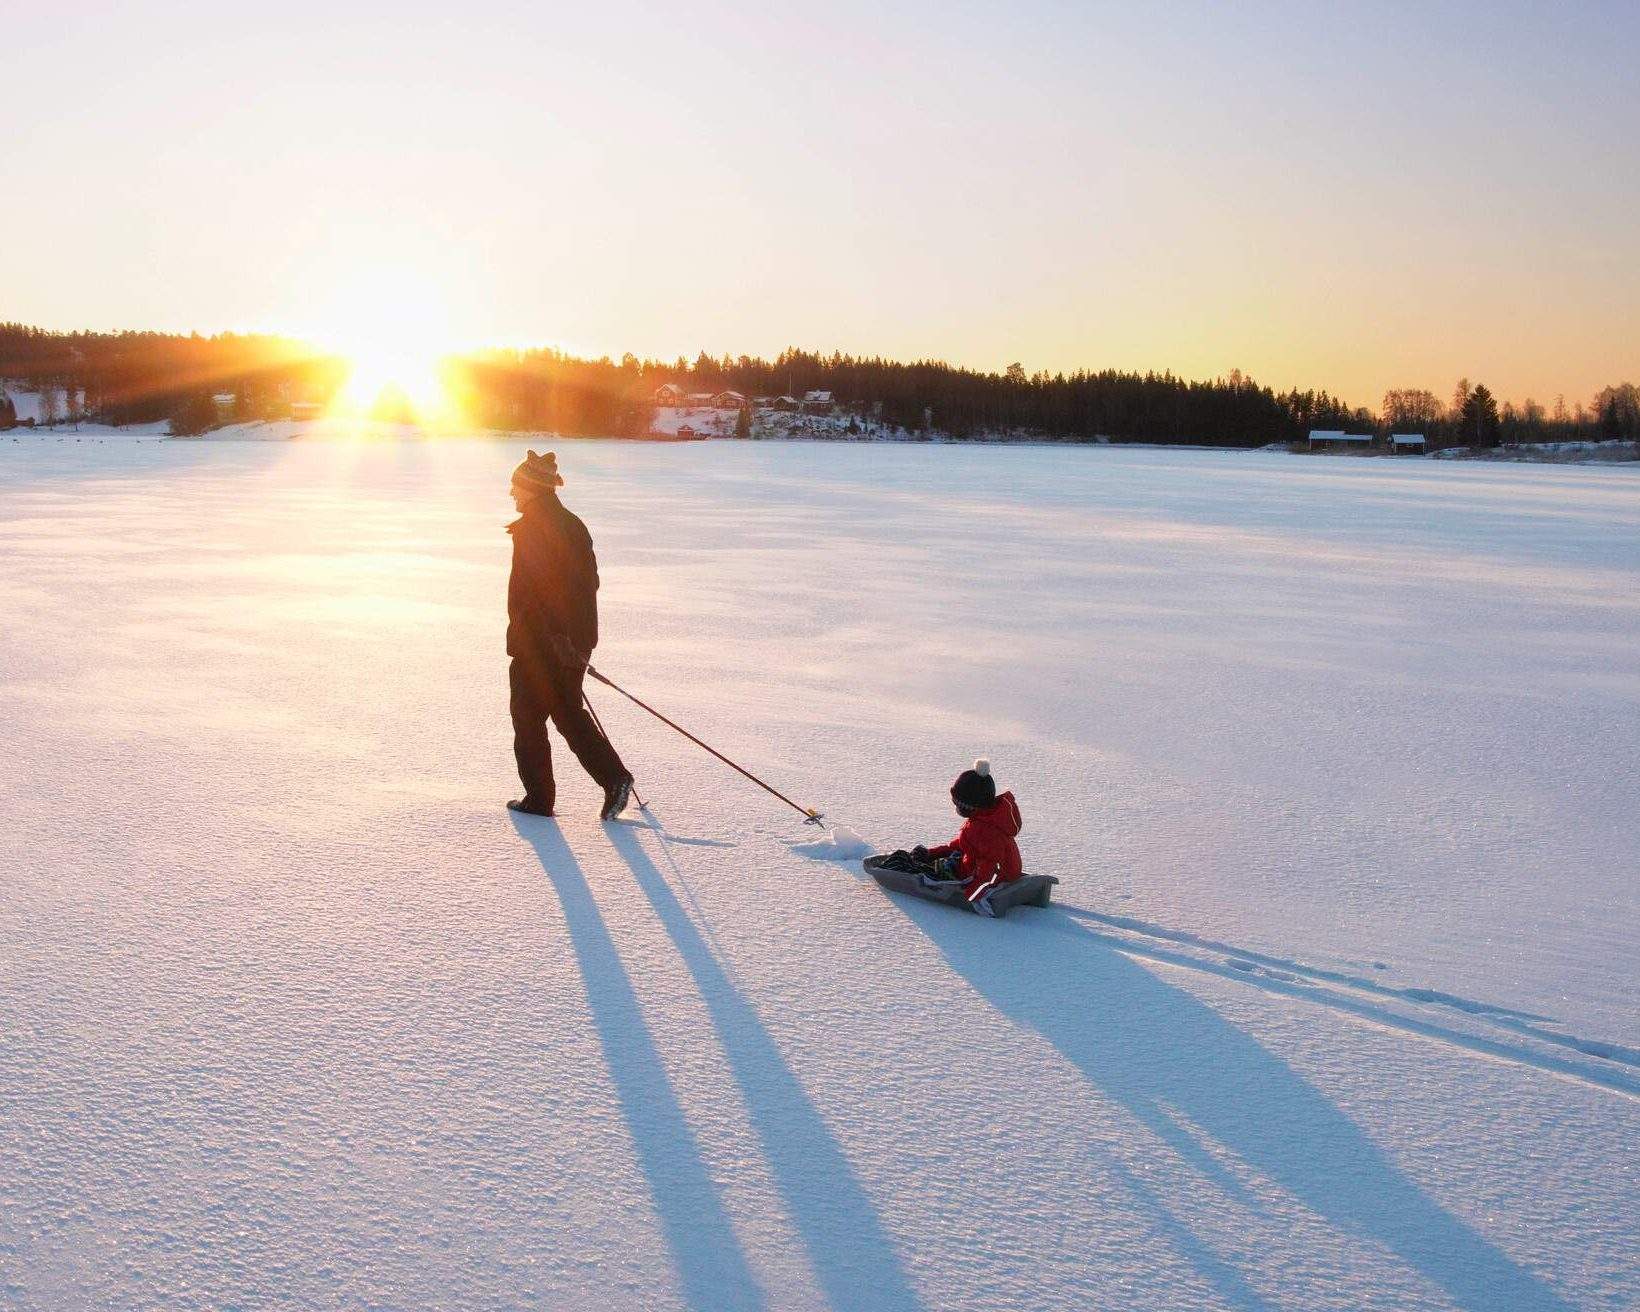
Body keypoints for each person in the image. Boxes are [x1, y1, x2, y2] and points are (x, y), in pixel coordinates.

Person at [505, 449, 634, 820]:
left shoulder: (534, 530)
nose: (512, 493)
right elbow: (588, 583)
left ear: (531, 488)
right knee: (566, 713)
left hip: (543, 643)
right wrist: (573, 639)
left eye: (516, 486)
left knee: (528, 717)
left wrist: (553, 637)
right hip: (568, 640)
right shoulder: (571, 524)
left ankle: (540, 799)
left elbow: (542, 591)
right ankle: (614, 778)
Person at [913, 759, 1023, 917]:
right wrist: (932, 853)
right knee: (954, 856)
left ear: (971, 806)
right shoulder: (986, 818)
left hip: (993, 875)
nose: (957, 809)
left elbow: (988, 867)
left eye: (959, 805)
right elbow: (964, 844)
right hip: (984, 866)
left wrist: (972, 894)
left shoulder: (986, 831)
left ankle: (939, 875)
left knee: (939, 872)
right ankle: (943, 865)